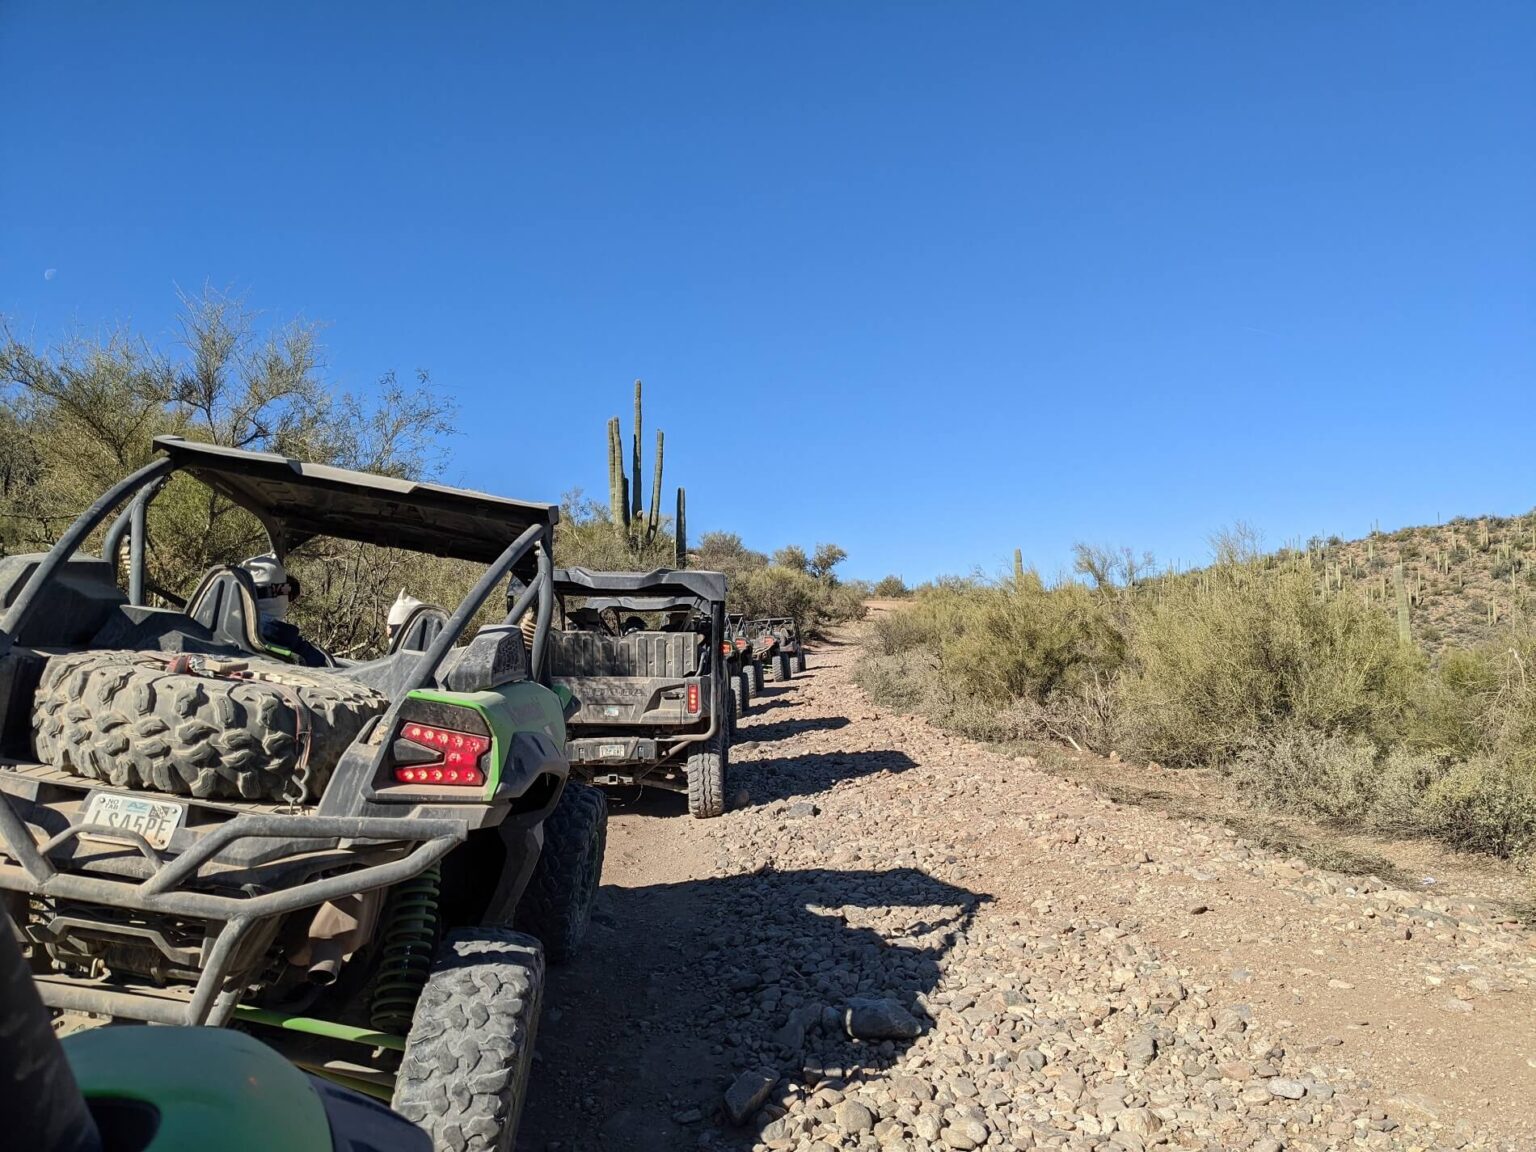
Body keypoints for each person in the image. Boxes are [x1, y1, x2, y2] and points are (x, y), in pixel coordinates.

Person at [240, 554, 331, 667]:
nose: (288, 600)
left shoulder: (224, 629)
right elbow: (321, 664)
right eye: (288, 591)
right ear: (278, 597)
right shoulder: (294, 646)